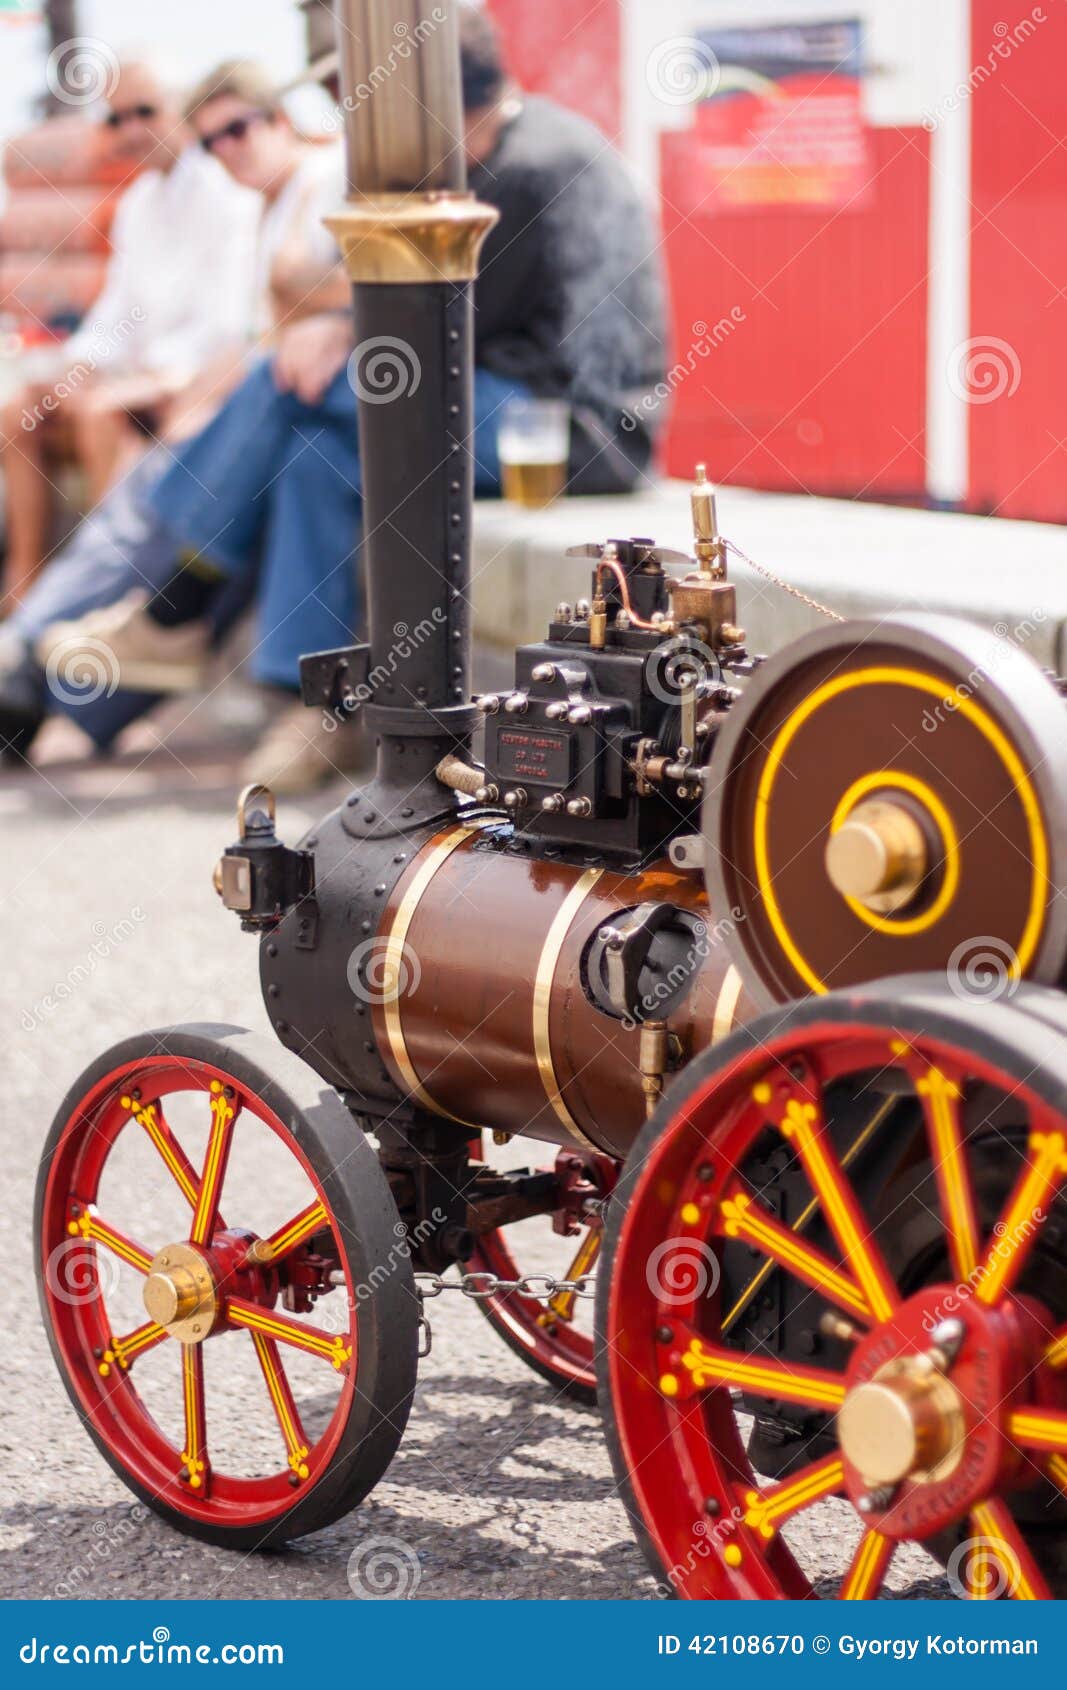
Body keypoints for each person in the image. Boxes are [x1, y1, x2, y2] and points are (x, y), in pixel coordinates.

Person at [2, 8, 667, 794]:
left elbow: (444, 325)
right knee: (317, 455)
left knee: (286, 382)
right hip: (509, 404)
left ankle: (175, 608)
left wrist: (344, 330)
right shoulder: (503, 151)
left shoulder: (534, 163)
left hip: (570, 433)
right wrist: (347, 330)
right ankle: (306, 703)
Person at [0, 59, 262, 605]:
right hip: (132, 372)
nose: (131, 131)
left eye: (145, 112)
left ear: (181, 115)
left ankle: (106, 589)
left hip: (188, 378)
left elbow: (227, 326)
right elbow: (116, 309)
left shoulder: (228, 194)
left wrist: (137, 378)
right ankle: (24, 582)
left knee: (97, 413)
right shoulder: (139, 203)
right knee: (15, 408)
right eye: (117, 119)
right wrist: (83, 361)